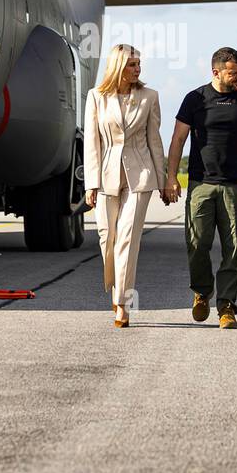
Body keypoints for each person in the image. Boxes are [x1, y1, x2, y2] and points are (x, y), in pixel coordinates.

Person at [164, 47, 237, 330]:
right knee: (196, 244)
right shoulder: (195, 99)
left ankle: (226, 307)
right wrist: (171, 177)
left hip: (234, 186)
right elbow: (178, 139)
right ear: (216, 72)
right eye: (234, 73)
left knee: (234, 248)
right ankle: (201, 291)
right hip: (201, 185)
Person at [84, 44, 168, 328]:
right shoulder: (96, 97)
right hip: (106, 174)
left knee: (128, 240)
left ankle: (122, 303)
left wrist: (164, 179)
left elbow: (154, 140)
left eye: (139, 64)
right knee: (108, 238)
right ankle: (115, 287)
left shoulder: (149, 97)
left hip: (140, 176)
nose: (137, 69)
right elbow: (91, 143)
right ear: (118, 66)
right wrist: (91, 183)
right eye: (132, 64)